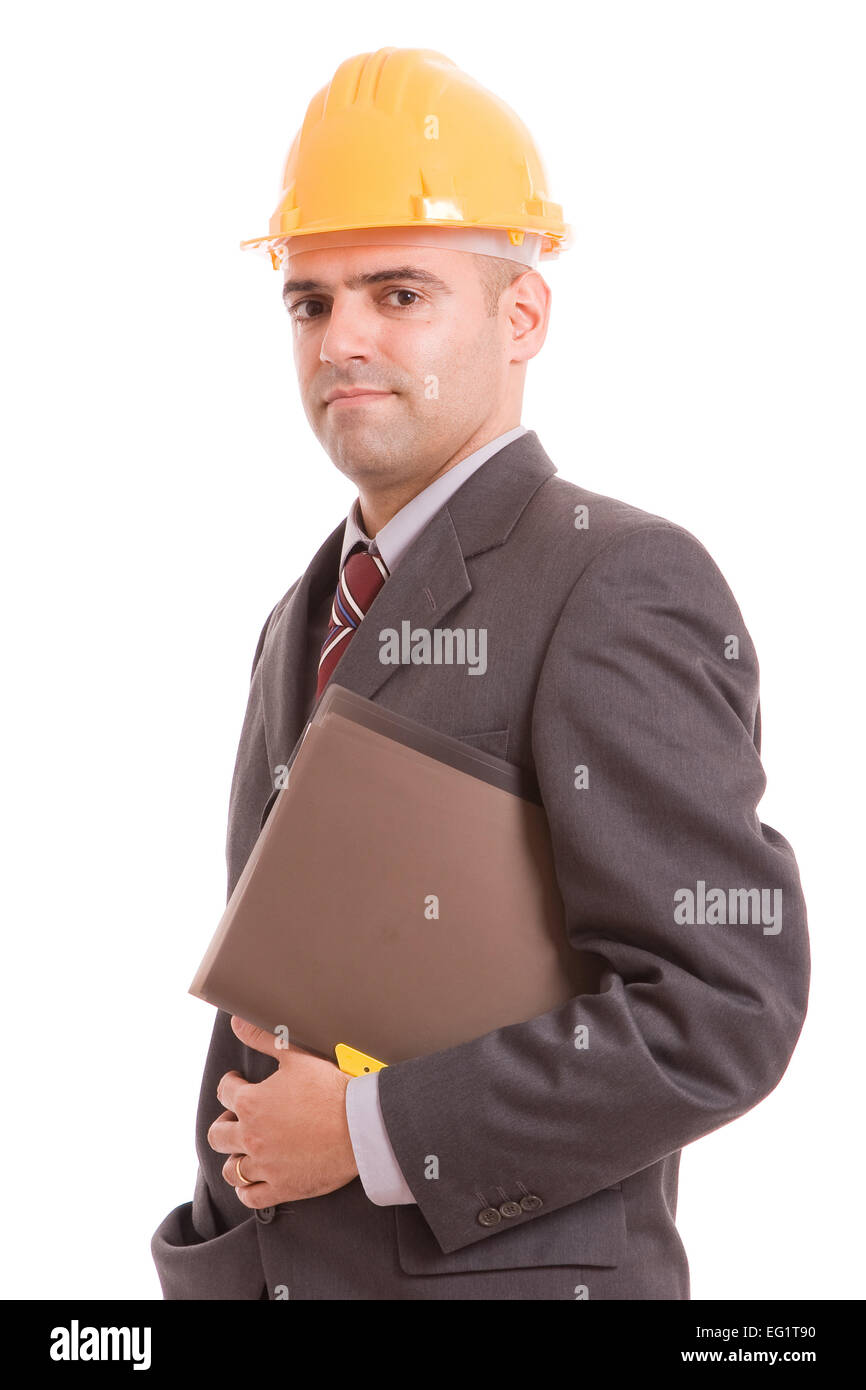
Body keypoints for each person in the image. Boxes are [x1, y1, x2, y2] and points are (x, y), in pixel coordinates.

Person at [152, 46, 810, 1301]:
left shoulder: (614, 579)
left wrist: (363, 1132)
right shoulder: (300, 612)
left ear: (521, 318)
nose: (341, 337)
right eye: (309, 300)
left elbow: (720, 1007)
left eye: (398, 292)